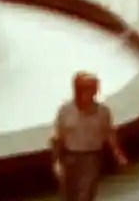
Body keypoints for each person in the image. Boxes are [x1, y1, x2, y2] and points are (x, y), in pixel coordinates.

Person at [51, 71, 127, 201]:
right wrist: (56, 161)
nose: (94, 93)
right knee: (69, 195)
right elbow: (58, 138)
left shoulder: (103, 112)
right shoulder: (65, 111)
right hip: (70, 157)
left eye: (95, 89)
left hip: (92, 157)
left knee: (85, 194)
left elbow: (109, 133)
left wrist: (118, 154)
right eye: (90, 89)